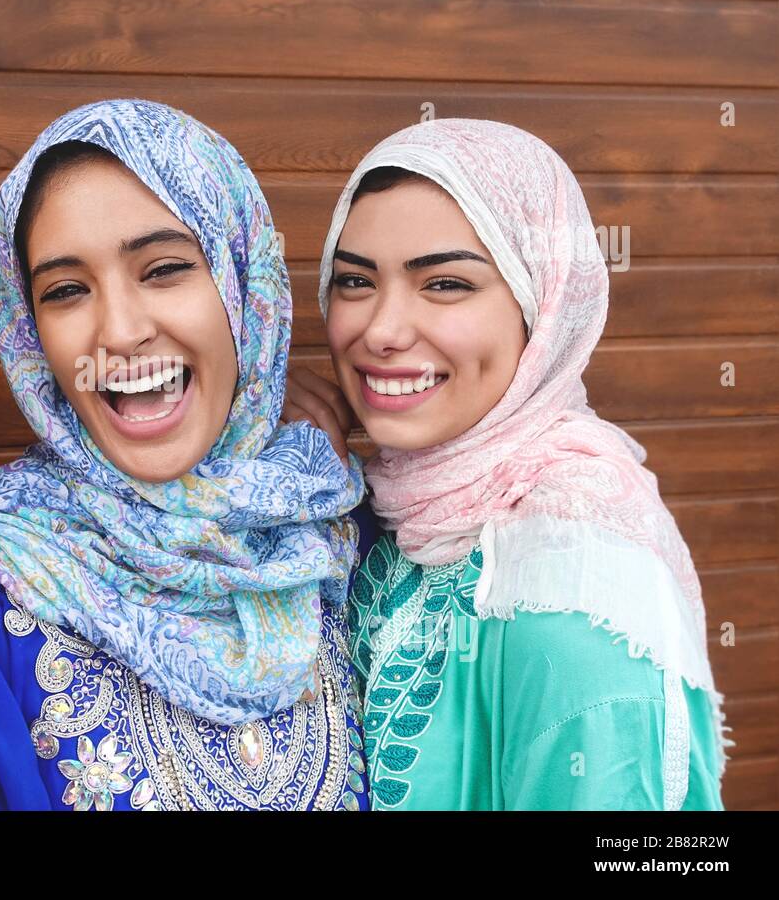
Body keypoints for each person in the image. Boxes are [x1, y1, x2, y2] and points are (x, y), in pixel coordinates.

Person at [0, 99, 374, 811]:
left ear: (245, 291)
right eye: (65, 291)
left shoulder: (341, 537)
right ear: (30, 334)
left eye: (163, 270)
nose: (120, 332)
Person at [283, 118, 726, 809]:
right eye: (354, 281)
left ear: (540, 306)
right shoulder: (389, 502)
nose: (382, 330)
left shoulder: (571, 588)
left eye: (446, 284)